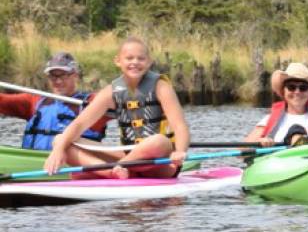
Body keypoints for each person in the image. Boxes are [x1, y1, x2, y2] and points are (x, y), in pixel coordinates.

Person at [43, 38, 190, 179]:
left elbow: (180, 125)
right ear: (118, 61)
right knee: (61, 140)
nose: (135, 62)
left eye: (141, 58)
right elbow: (79, 124)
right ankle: (111, 172)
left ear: (149, 62)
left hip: (160, 162)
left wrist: (180, 152)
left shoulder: (160, 86)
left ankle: (109, 169)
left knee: (158, 141)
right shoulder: (111, 91)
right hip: (129, 155)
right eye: (129, 58)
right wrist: (58, 150)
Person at [0, 52, 109, 150]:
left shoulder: (94, 102)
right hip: (32, 162)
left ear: (75, 75)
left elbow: (121, 103)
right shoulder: (34, 102)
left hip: (71, 165)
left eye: (63, 75)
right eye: (53, 76)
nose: (58, 81)